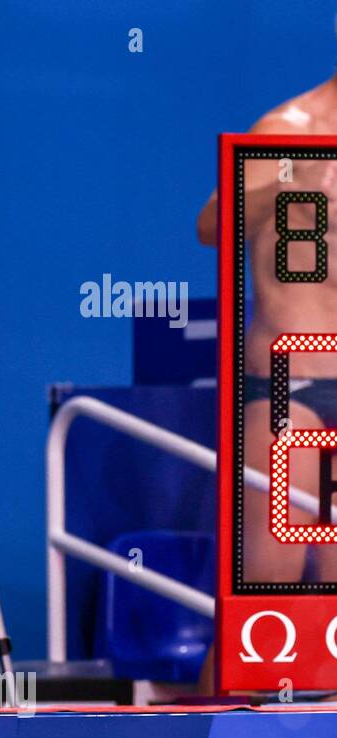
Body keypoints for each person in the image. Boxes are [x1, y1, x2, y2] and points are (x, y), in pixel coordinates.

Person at [196, 74, 337, 693]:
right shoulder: (290, 129)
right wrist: (289, 174)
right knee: (263, 597)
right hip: (291, 384)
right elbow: (211, 223)